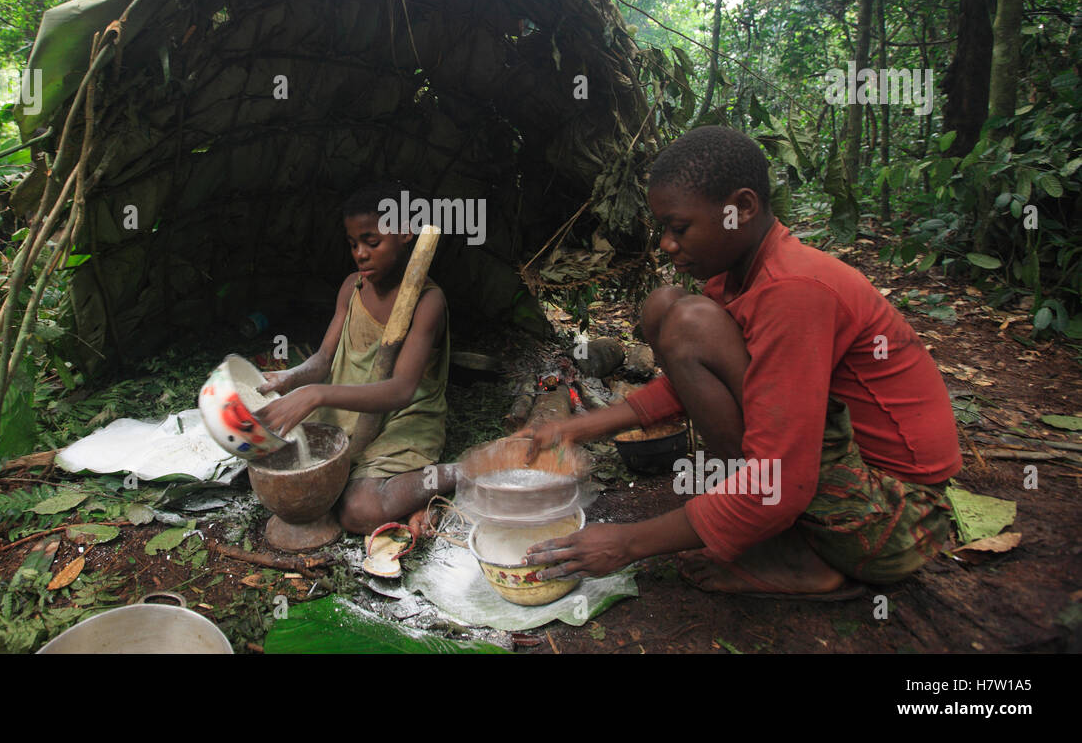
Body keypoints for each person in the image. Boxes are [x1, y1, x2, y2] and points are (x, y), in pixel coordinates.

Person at [520, 126, 961, 597]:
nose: (667, 244)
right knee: (667, 306)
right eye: (663, 229)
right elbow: (693, 382)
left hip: (891, 521)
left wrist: (627, 543)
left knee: (687, 320)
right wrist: (574, 429)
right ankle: (779, 530)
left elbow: (785, 479)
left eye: (680, 228)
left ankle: (794, 554)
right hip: (855, 493)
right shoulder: (741, 278)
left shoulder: (793, 291)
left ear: (742, 208)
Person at [256, 184, 455, 537]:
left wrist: (317, 395)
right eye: (353, 244)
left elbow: (401, 390)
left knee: (357, 511)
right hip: (348, 409)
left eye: (372, 242)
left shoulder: (429, 301)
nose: (360, 254)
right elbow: (322, 359)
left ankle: (458, 473)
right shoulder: (352, 287)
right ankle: (401, 494)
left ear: (405, 232)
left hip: (404, 417)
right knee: (272, 466)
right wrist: (290, 379)